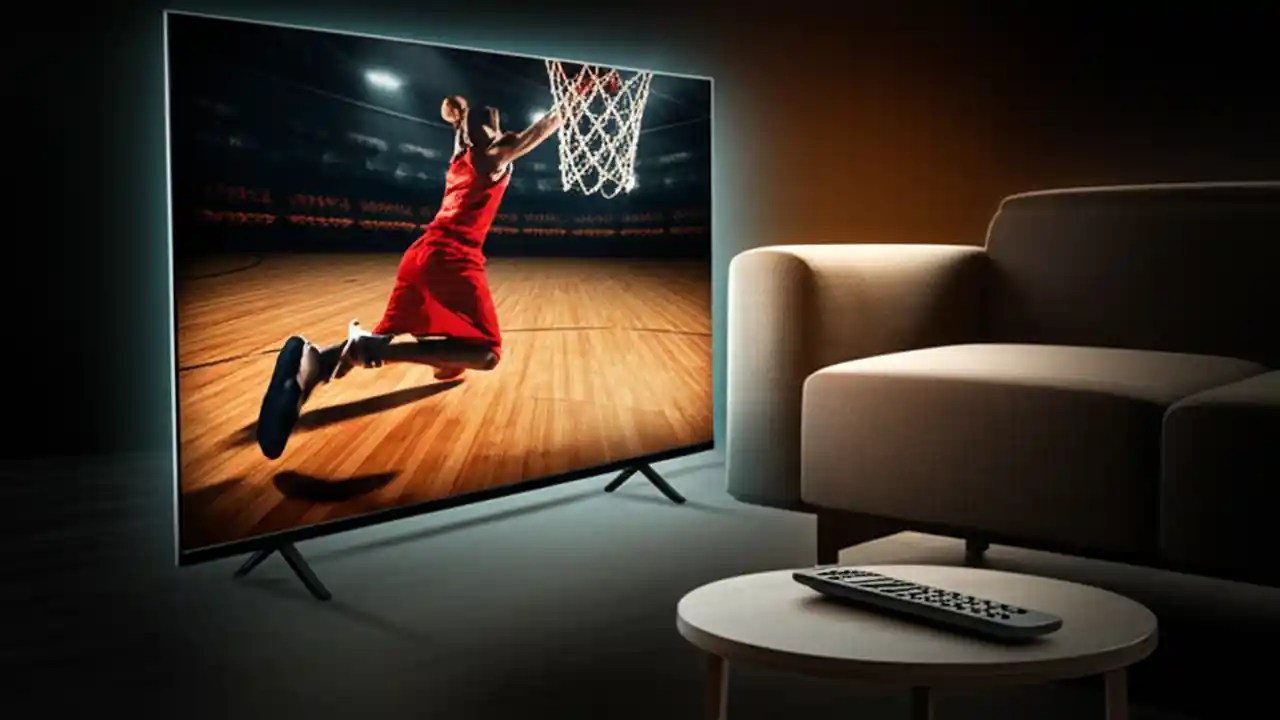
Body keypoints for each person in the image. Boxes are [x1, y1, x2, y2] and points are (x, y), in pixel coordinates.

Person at [256, 94, 568, 459]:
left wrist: (457, 115)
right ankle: (366, 350)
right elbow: (541, 129)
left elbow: (468, 127)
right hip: (452, 257)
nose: (500, 134)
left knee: (425, 342)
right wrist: (576, 98)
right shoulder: (493, 156)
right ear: (494, 136)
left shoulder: (459, 158)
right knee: (486, 353)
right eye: (495, 130)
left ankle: (311, 366)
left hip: (421, 253)